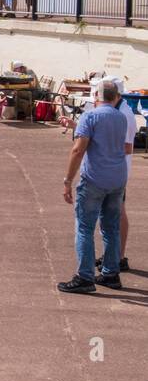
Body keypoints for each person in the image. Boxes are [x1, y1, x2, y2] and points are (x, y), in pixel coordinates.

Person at [60, 79, 130, 292]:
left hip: (95, 178)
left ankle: (85, 276)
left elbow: (78, 150)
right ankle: (110, 273)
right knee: (110, 227)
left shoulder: (90, 116)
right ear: (115, 97)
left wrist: (67, 180)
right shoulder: (121, 117)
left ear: (96, 96)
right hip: (117, 178)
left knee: (84, 227)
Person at [98, 80, 137, 275]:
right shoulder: (119, 110)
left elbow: (128, 147)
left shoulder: (125, 114)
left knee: (117, 213)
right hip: (113, 169)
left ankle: (119, 257)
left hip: (117, 171)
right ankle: (113, 255)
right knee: (111, 214)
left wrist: (98, 145)